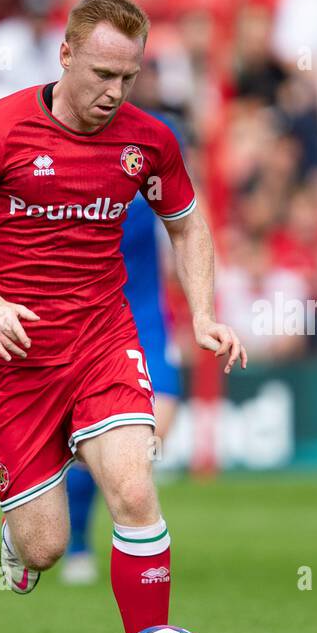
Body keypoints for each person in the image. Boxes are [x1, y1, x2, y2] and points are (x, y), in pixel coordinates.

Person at [0, 0, 246, 633]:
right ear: (66, 56)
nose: (114, 92)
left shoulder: (149, 141)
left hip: (102, 339)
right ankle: (20, 535)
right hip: (13, 358)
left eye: (128, 77)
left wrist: (204, 312)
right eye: (102, 74)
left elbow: (188, 223)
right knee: (46, 547)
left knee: (133, 486)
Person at [61, 179, 184, 586]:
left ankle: (132, 543)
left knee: (153, 431)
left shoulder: (150, 148)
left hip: (147, 316)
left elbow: (186, 223)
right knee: (94, 446)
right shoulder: (65, 168)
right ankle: (78, 541)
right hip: (91, 320)